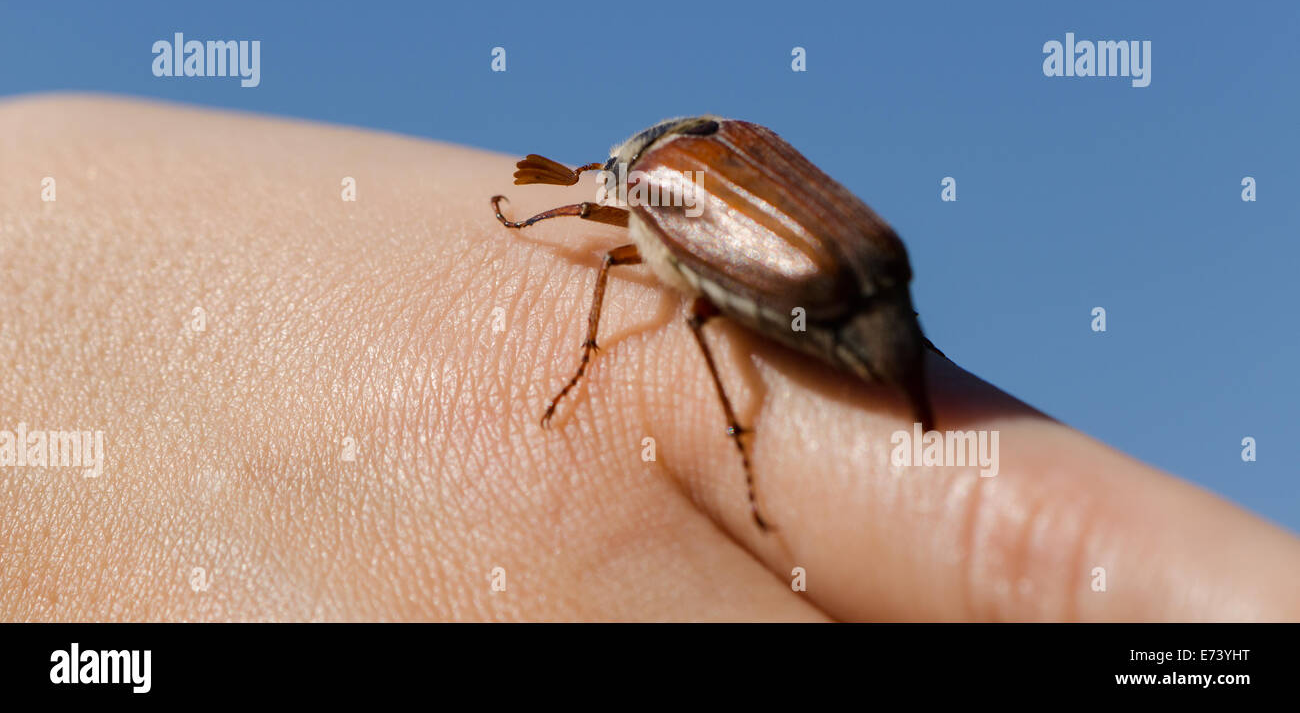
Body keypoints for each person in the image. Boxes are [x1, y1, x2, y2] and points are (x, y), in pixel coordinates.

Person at [2, 94, 1296, 621]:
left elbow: (619, 234)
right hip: (857, 279)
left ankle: (748, 446)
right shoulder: (711, 144)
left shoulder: (655, 194)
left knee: (671, 313)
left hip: (812, 299)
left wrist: (544, 228)